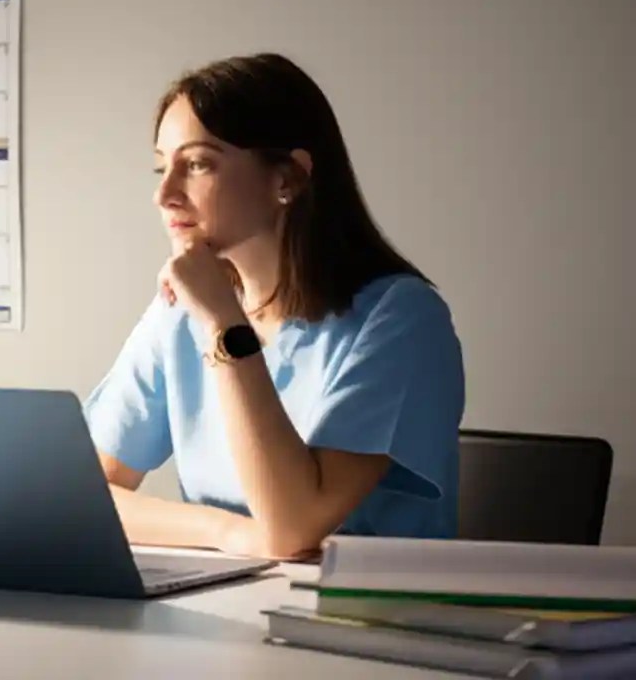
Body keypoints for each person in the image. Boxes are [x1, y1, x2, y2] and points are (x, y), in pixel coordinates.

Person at [85, 52, 465, 559]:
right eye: (161, 166)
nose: (164, 194)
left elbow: (291, 529)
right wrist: (228, 533)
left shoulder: (403, 319)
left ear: (287, 177)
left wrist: (223, 323)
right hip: (223, 607)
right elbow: (89, 496)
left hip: (361, 621)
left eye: (197, 164)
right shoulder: (179, 312)